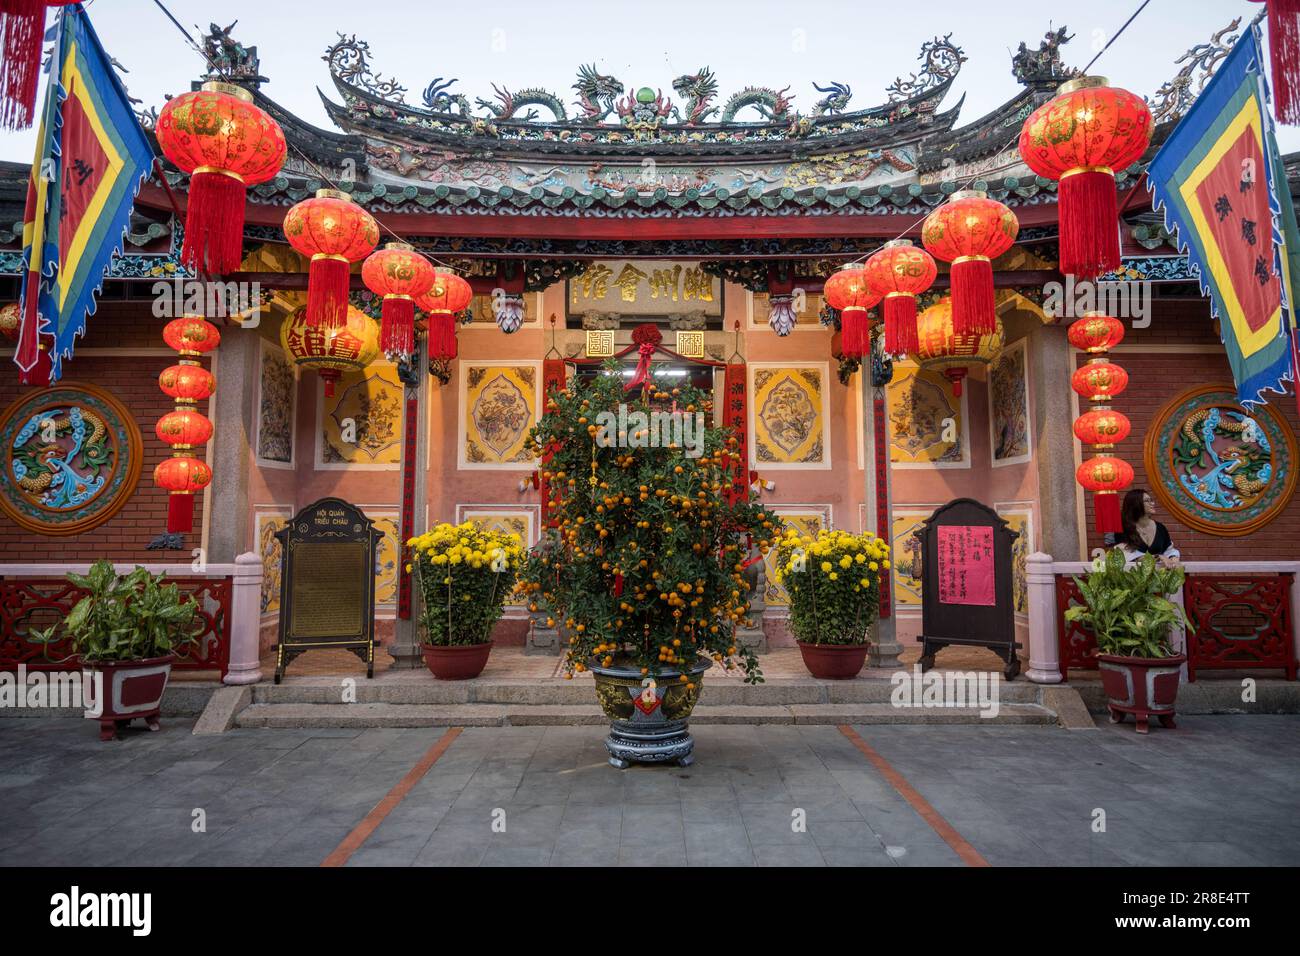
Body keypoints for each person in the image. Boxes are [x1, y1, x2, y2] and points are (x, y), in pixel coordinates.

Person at [1119, 488, 1181, 568]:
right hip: (1133, 576)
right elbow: (1125, 554)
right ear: (1135, 504)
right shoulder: (1124, 527)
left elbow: (1169, 550)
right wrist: (1158, 557)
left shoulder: (1160, 528)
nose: (1152, 503)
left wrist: (1174, 558)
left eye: (1151, 500)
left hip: (1159, 576)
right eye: (1147, 501)